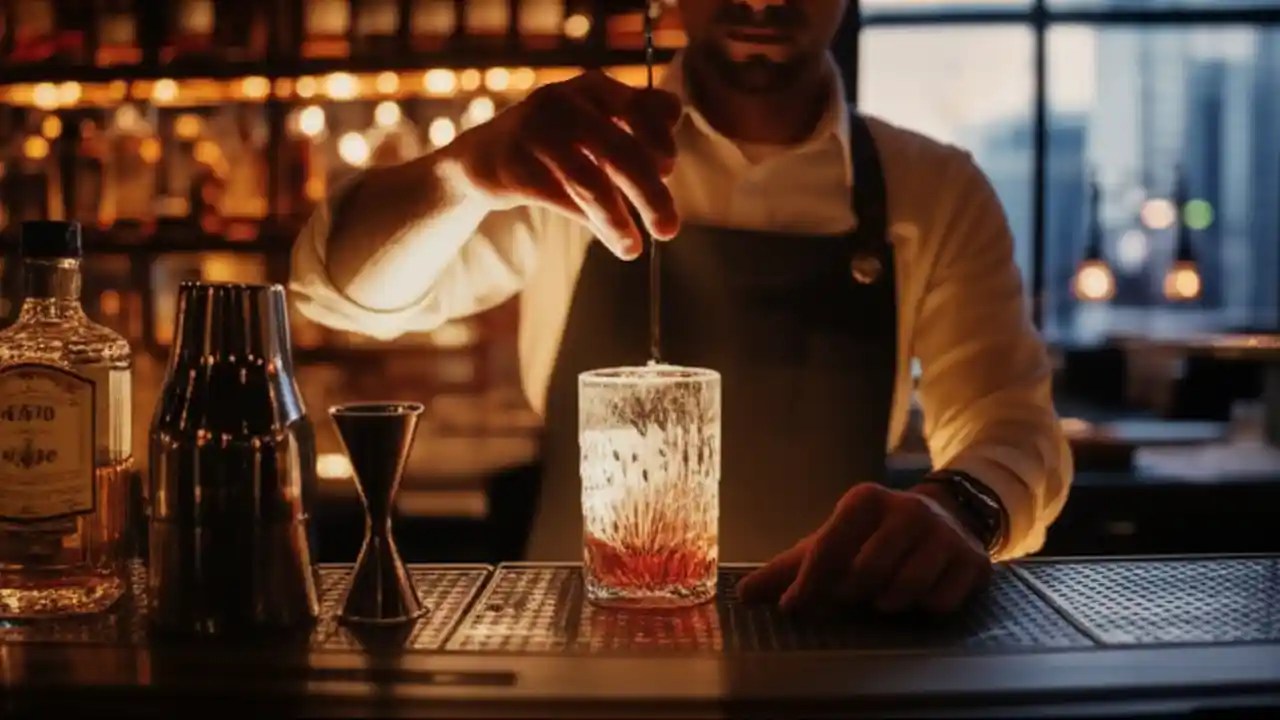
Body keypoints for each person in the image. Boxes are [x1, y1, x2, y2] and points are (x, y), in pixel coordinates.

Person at [290, 0, 1072, 616]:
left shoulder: (934, 191)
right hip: (574, 654)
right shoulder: (576, 155)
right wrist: (462, 174)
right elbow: (348, 296)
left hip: (826, 653)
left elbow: (1010, 426)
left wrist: (958, 509)